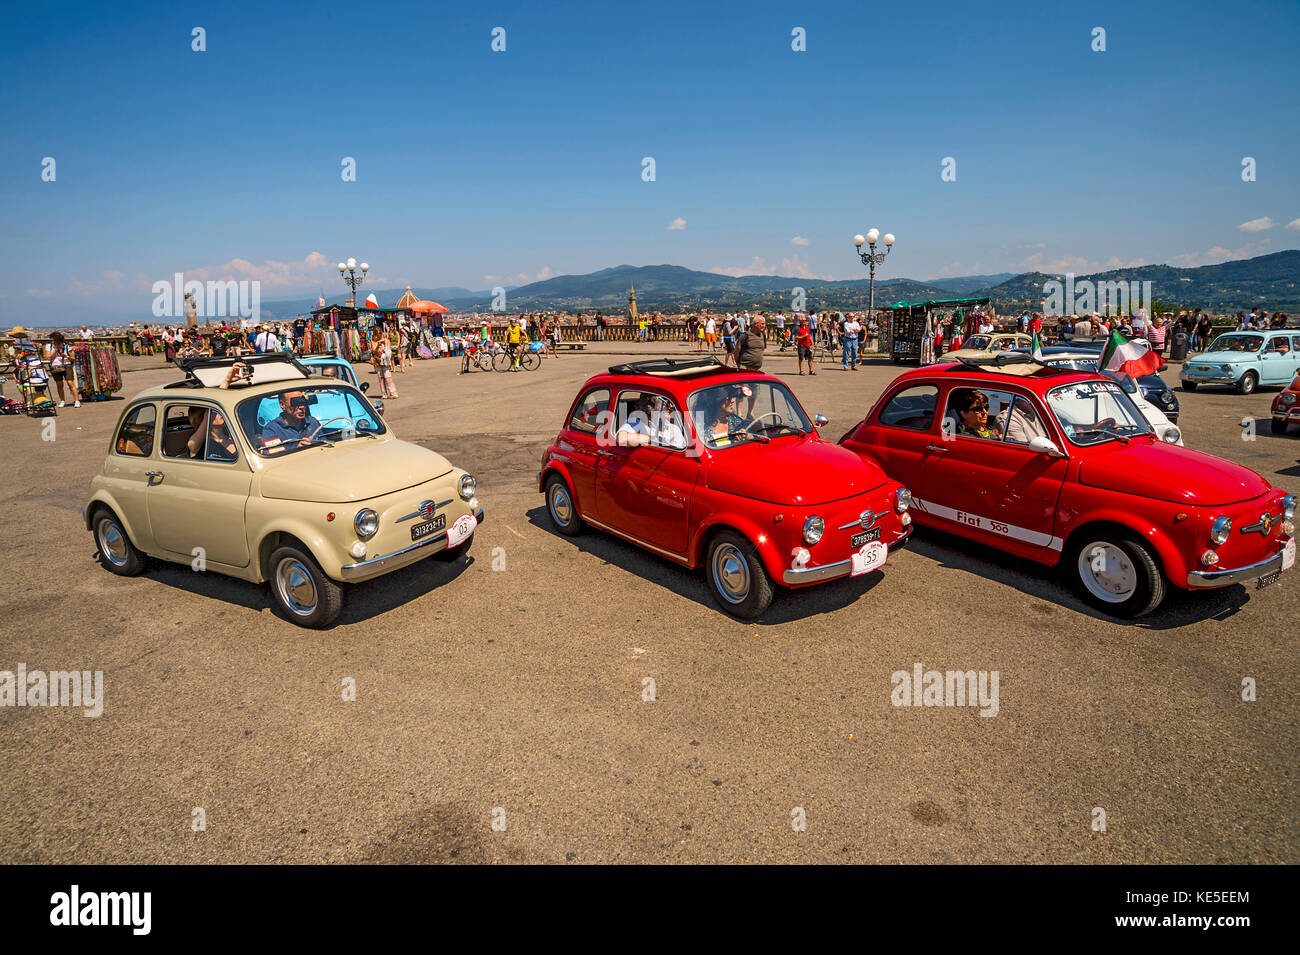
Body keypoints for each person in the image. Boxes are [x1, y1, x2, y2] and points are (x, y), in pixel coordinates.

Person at [616, 394, 687, 449]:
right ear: (651, 404)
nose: (671, 406)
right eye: (666, 401)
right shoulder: (637, 423)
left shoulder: (674, 429)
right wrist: (654, 439)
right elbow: (622, 439)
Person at [45, 331, 80, 408]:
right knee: (59, 384)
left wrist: (66, 356)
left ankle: (77, 400)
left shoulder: (67, 347)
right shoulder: (49, 346)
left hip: (66, 365)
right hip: (55, 366)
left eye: (53, 340)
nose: (52, 342)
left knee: (70, 383)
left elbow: (73, 358)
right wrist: (55, 350)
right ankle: (62, 400)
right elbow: (48, 357)